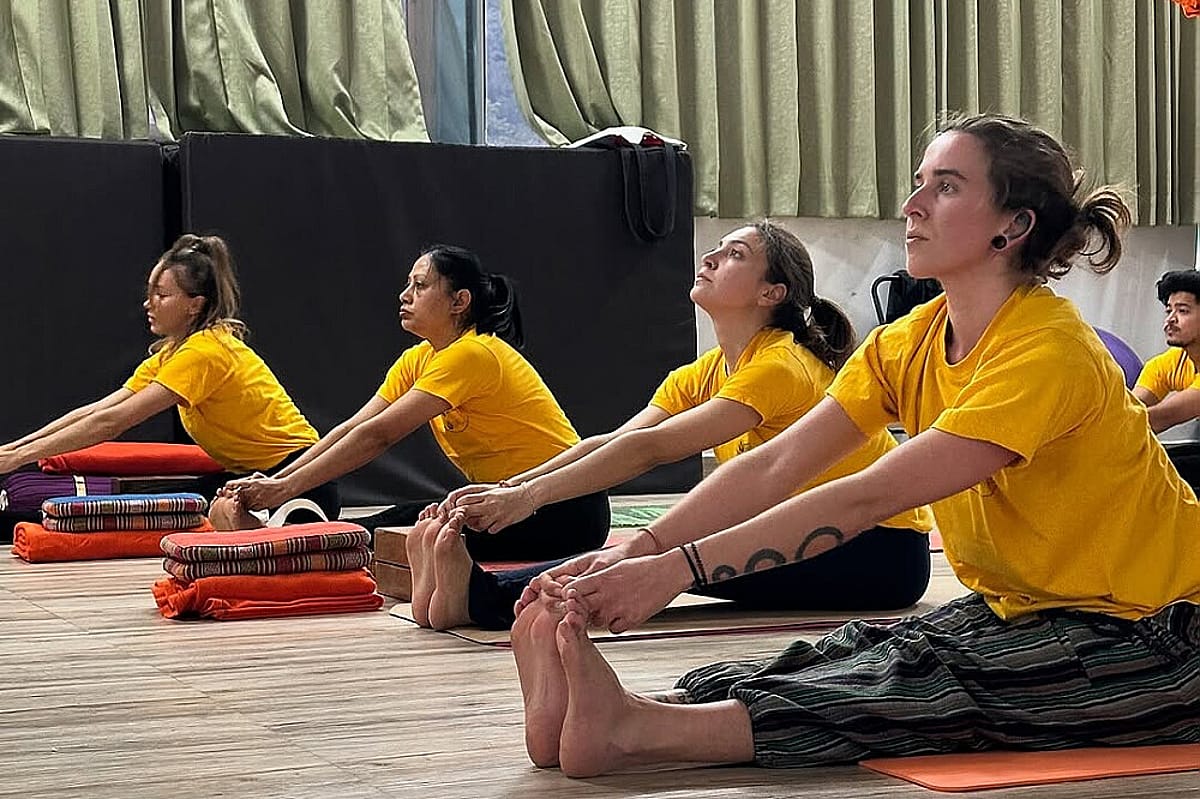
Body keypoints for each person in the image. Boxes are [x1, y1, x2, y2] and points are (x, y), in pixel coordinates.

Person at [510, 113, 1200, 776]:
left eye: (947, 186)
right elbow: (777, 463)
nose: (913, 203)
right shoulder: (907, 341)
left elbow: (871, 494)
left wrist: (679, 570)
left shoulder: (1049, 350)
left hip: (1166, 633)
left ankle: (638, 731)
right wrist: (644, 548)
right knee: (876, 645)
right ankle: (640, 708)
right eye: (921, 180)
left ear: (1013, 225)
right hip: (1029, 607)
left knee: (939, 685)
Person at [408, 221, 933, 630]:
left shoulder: (781, 364)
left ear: (771, 293)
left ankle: (481, 598)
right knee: (665, 549)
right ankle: (477, 596)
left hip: (879, 553)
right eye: (718, 248)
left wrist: (526, 500)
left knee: (674, 556)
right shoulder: (707, 371)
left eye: (735, 255)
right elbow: (616, 442)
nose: (710, 257)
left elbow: (652, 450)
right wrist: (512, 490)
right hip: (810, 531)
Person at [219, 245, 608, 561]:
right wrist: (275, 482)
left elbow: (379, 436)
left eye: (420, 286)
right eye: (408, 285)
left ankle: (291, 543)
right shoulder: (419, 358)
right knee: (397, 523)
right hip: (506, 501)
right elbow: (356, 427)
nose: (405, 296)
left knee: (403, 533)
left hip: (565, 508)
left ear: (460, 301)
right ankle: (292, 538)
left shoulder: (473, 352)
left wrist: (284, 489)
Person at [0, 234, 337, 528]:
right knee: (145, 501)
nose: (149, 303)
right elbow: (98, 410)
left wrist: (17, 459)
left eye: (162, 295)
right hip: (248, 478)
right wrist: (14, 450)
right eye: (150, 293)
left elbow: (110, 424)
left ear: (195, 305)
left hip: (297, 481)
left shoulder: (205, 352)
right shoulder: (173, 353)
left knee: (141, 513)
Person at [1134, 270, 1200, 433]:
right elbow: (1130, 407)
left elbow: (1161, 418)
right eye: (1169, 310)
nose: (1171, 319)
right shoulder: (1170, 363)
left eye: (1182, 311)